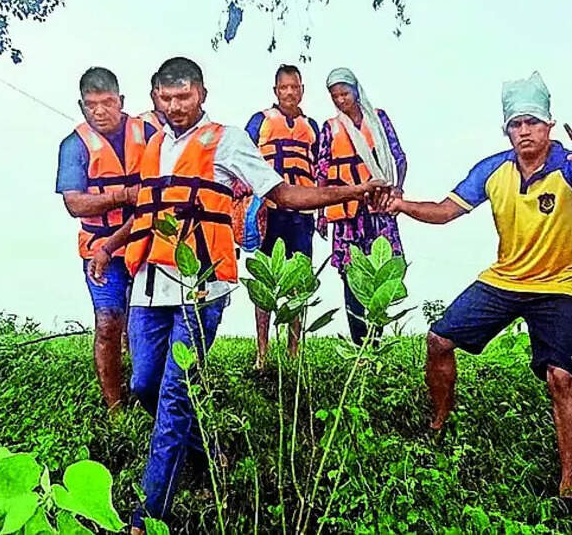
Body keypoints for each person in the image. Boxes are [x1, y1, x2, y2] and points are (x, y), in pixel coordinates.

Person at [87, 57, 389, 534]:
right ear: (154, 97)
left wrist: (352, 190)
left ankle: (148, 518)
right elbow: (149, 211)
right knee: (145, 385)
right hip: (149, 285)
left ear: (202, 94)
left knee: (172, 393)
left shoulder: (228, 141)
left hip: (200, 285)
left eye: (184, 97)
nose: (175, 107)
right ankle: (209, 455)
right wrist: (109, 244)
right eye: (166, 98)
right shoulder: (154, 145)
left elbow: (284, 194)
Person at [377, 71, 572, 501]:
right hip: (506, 277)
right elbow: (444, 210)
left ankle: (568, 484)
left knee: (561, 377)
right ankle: (438, 425)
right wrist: (401, 204)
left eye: (532, 121)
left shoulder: (570, 166)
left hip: (561, 285)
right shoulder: (493, 170)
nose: (524, 130)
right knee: (438, 339)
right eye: (516, 124)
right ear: (507, 130)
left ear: (548, 125)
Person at [55, 67, 157, 411]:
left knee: (147, 325)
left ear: (122, 101)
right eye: (91, 105)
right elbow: (74, 203)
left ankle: (151, 397)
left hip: (148, 242)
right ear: (82, 106)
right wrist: (123, 196)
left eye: (107, 103)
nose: (100, 111)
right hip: (99, 249)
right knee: (108, 321)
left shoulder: (150, 132)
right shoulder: (74, 145)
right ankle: (114, 408)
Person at [316, 67, 408, 345]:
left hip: (379, 209)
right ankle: (359, 342)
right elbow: (321, 170)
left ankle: (376, 339)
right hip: (346, 215)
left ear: (356, 92)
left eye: (345, 93)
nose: (341, 100)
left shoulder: (378, 120)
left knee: (381, 272)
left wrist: (397, 191)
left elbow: (398, 157)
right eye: (335, 96)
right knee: (351, 276)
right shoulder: (330, 128)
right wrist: (321, 213)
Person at [243, 64, 321, 368]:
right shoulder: (260, 121)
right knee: (264, 279)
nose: (289, 92)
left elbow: (322, 170)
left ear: (302, 90)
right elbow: (243, 159)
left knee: (300, 280)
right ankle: (262, 353)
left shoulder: (312, 126)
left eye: (295, 87)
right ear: (275, 90)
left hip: (302, 213)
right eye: (284, 87)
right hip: (269, 210)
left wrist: (324, 211)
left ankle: (293, 351)